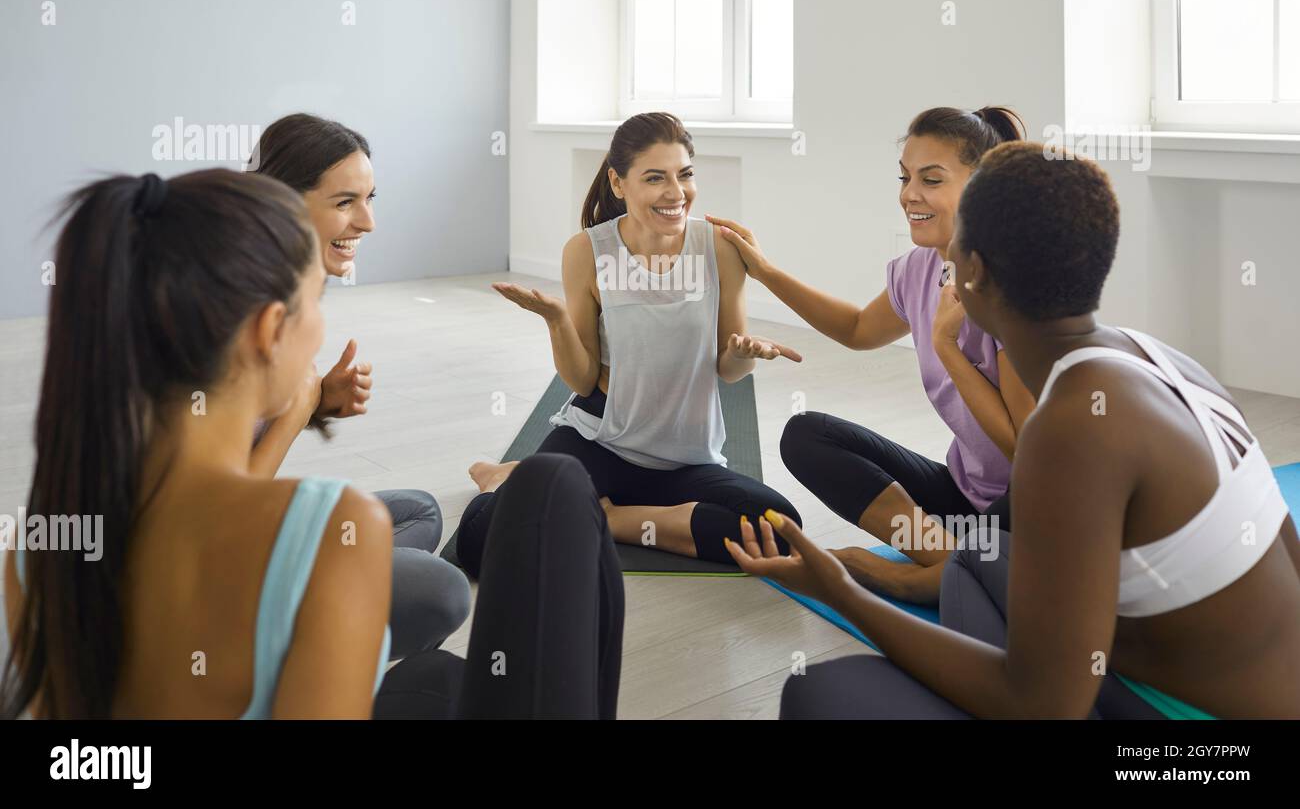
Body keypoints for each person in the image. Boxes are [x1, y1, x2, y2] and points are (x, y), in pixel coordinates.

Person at [1, 170, 624, 719]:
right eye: (313, 303)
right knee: (553, 484)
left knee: (435, 676)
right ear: (270, 331)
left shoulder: (35, 550)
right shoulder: (329, 529)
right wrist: (300, 406)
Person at [726, 142, 1300, 718]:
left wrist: (840, 592)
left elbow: (1043, 707)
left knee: (820, 692)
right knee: (975, 562)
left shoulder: (1071, 430)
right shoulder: (1163, 361)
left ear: (971, 270)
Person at [707, 107, 1036, 603]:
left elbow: (1027, 454)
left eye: (931, 179)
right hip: (965, 502)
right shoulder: (920, 270)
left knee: (1022, 510)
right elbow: (858, 329)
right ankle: (947, 561)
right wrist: (766, 273)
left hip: (1029, 510)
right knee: (806, 435)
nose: (909, 195)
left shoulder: (1012, 291)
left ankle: (950, 573)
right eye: (905, 178)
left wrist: (947, 346)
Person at [457, 112, 803, 576]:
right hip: (603, 441)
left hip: (686, 458)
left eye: (685, 175)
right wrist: (557, 320)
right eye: (655, 178)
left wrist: (740, 356)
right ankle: (503, 478)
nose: (676, 193)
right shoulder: (587, 251)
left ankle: (605, 516)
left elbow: (729, 370)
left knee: (777, 531)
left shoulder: (721, 247)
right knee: (482, 542)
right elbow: (580, 378)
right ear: (618, 183)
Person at [251, 113, 469, 658]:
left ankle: (328, 630)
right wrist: (299, 407)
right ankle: (287, 659)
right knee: (440, 589)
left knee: (418, 511)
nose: (368, 222)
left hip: (243, 526)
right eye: (345, 202)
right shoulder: (241, 317)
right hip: (209, 559)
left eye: (370, 198)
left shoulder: (286, 300)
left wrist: (316, 404)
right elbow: (219, 510)